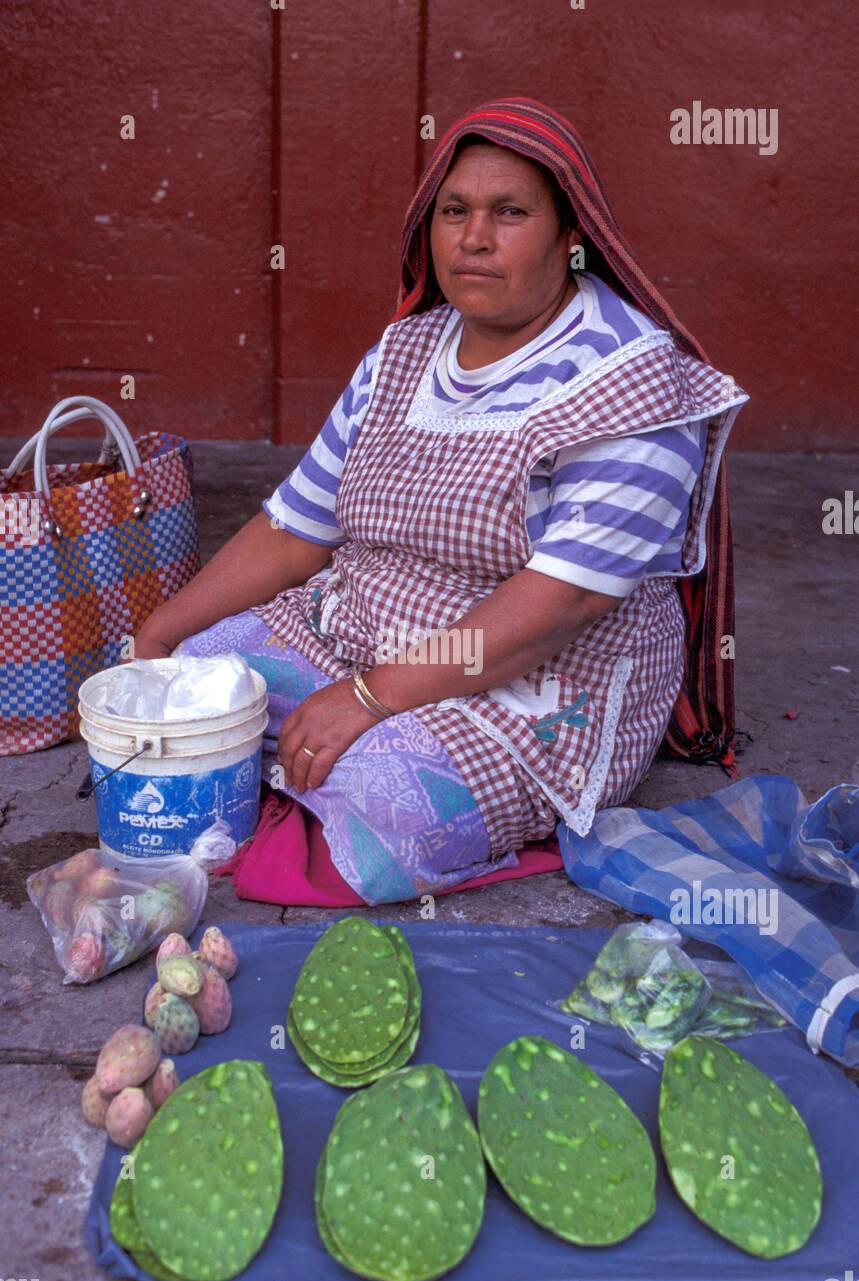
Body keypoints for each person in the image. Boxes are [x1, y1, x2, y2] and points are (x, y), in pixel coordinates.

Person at [133, 96, 749, 905]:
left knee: (389, 804)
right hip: (357, 628)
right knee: (194, 686)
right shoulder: (405, 350)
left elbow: (561, 601)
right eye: (453, 211)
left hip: (538, 685)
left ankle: (336, 789)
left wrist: (367, 699)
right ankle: (298, 770)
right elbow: (294, 532)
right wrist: (159, 637)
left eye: (511, 212)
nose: (474, 237)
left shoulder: (628, 380)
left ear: (572, 237)